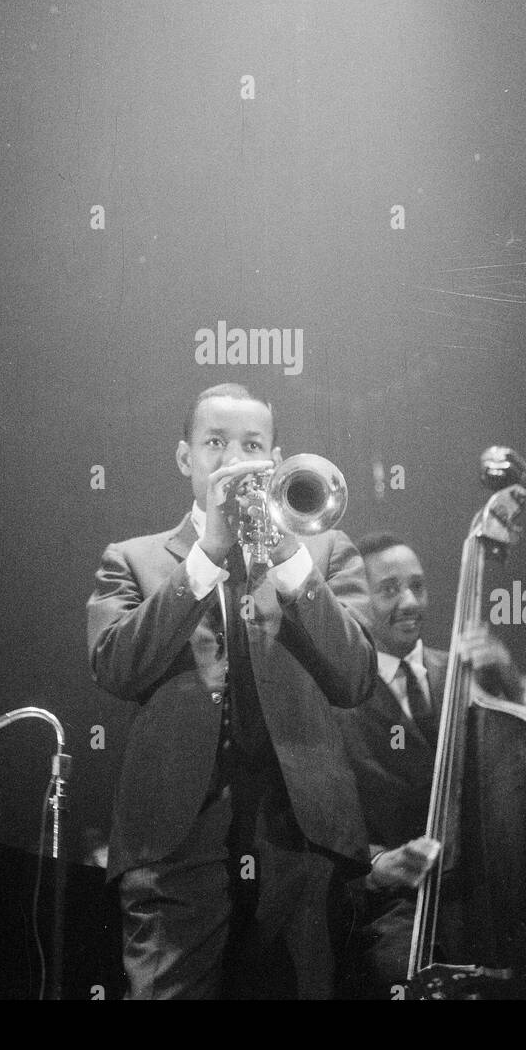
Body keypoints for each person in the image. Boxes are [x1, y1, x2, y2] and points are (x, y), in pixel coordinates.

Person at [86, 383, 376, 999]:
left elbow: (355, 678)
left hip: (302, 838)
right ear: (185, 458)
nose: (235, 461)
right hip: (173, 843)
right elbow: (115, 666)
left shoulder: (322, 553)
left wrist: (291, 558)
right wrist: (208, 555)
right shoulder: (132, 559)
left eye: (252, 445)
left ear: (275, 460)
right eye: (216, 443)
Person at [336, 531, 526, 998]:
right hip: (394, 915)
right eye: (389, 589)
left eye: (418, 586)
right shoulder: (334, 700)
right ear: (352, 602)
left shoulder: (462, 672)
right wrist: (375, 866)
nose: (410, 602)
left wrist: (511, 678)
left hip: (485, 901)